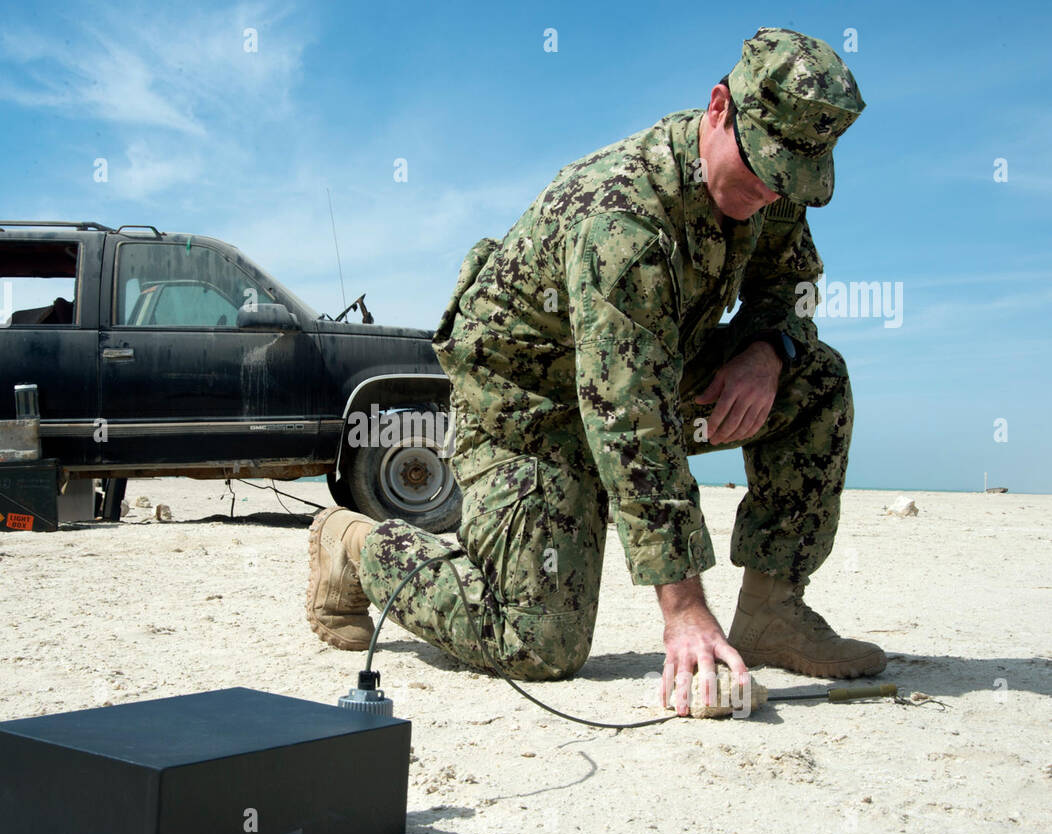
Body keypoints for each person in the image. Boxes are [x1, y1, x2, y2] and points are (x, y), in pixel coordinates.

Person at [306, 27, 886, 717]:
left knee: (814, 380)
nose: (767, 194)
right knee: (538, 643)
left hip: (645, 376)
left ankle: (773, 610)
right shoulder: (623, 220)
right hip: (530, 414)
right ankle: (356, 544)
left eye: (786, 182)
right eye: (759, 171)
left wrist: (768, 351)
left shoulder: (772, 179)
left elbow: (794, 286)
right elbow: (626, 414)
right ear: (720, 108)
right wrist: (685, 610)